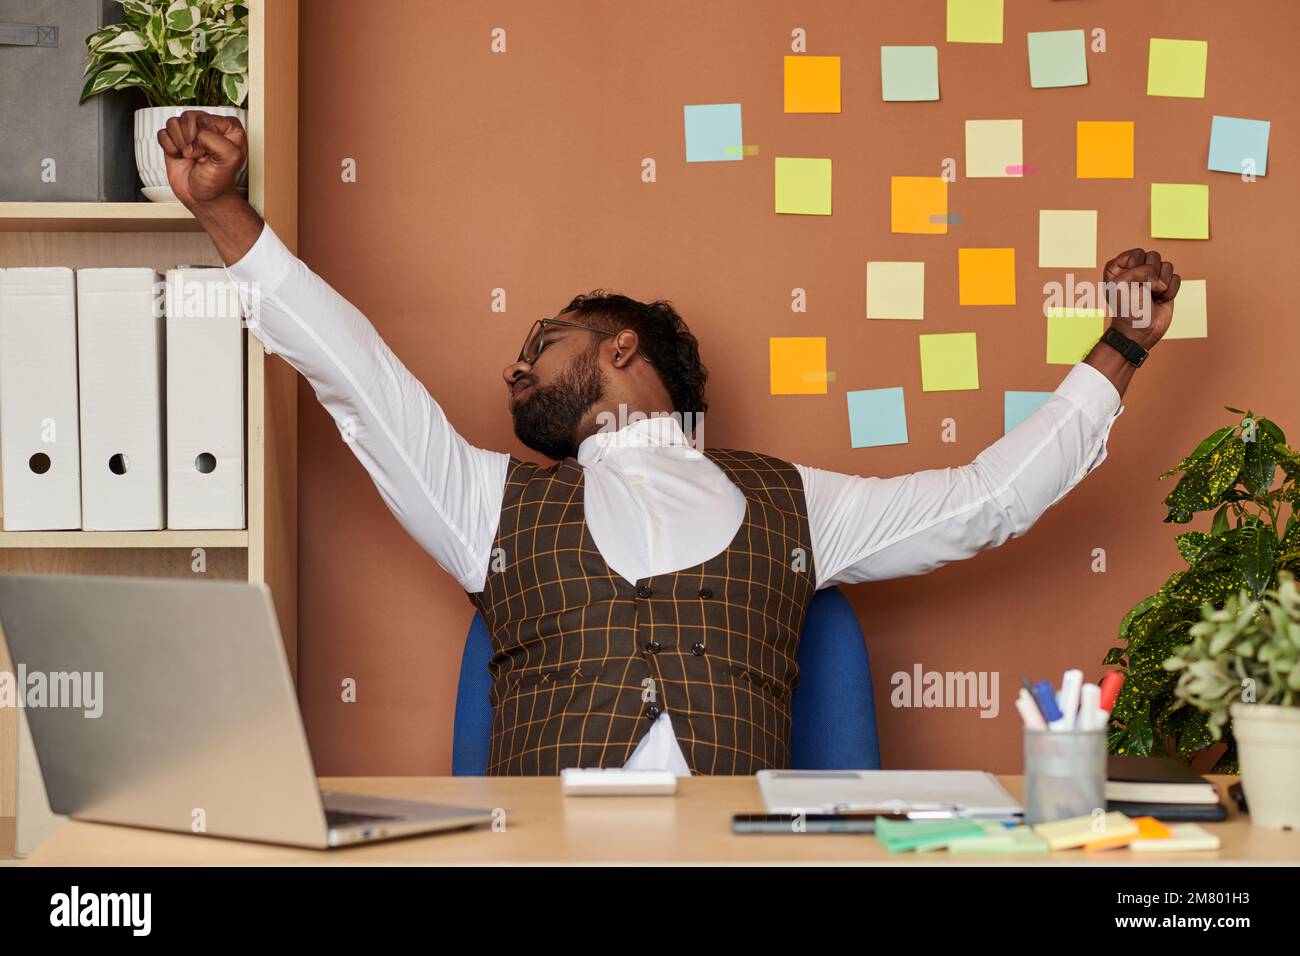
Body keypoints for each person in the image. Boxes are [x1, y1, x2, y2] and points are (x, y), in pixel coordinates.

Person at [158, 111, 1181, 776]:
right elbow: (357, 375)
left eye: (538, 343)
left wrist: (1121, 348)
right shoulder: (484, 500)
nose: (512, 371)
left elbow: (984, 499)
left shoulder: (798, 504)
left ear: (619, 346)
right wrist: (227, 215)